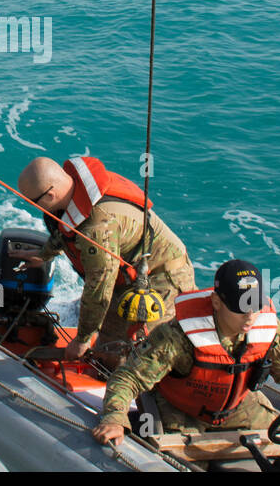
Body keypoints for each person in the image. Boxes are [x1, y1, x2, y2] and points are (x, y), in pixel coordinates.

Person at [91, 259, 280, 446]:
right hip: (182, 413)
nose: (250, 316)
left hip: (238, 409)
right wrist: (115, 418)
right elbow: (128, 378)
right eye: (241, 308)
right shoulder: (178, 337)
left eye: (255, 305)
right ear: (217, 302)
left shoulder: (267, 328)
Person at [17, 155, 195, 364]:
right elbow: (68, 227)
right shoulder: (74, 186)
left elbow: (99, 289)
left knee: (141, 356)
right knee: (107, 350)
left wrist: (81, 340)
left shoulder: (97, 229)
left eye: (33, 202)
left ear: (50, 195)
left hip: (162, 277)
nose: (34, 207)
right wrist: (44, 254)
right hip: (126, 270)